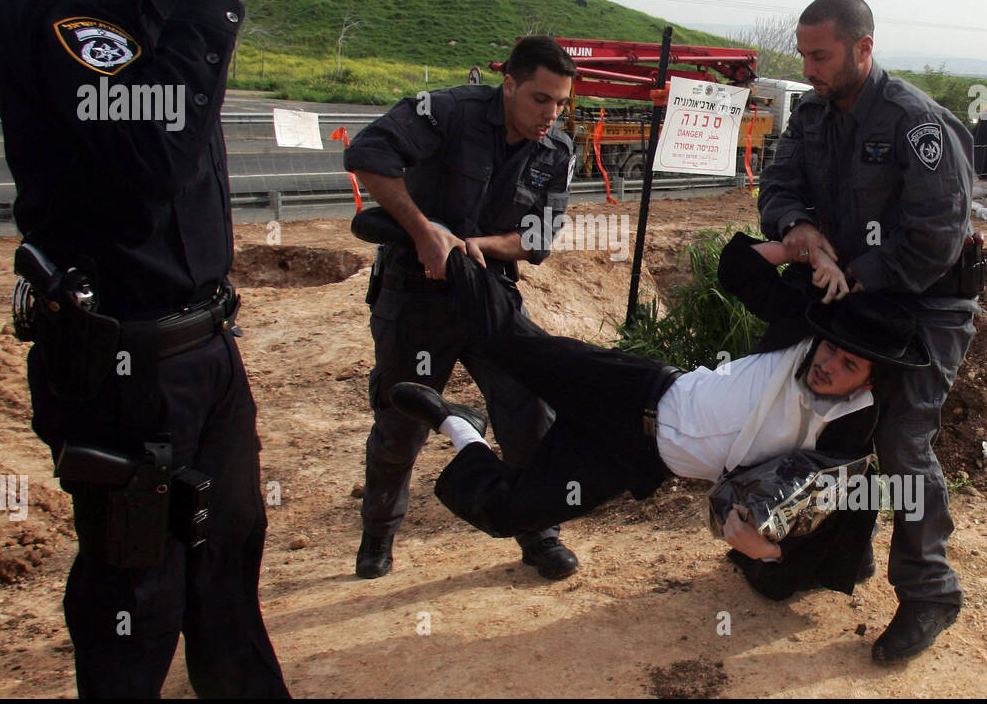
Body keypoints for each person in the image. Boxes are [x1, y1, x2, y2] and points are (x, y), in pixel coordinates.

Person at [0, 0, 303, 698]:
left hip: (205, 349)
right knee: (136, 602)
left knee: (230, 576)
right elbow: (146, 157)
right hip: (119, 360)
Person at [389, 232, 928, 597]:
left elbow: (819, 501)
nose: (828, 364)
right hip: (630, 386)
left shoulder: (852, 428)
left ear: (872, 380)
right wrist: (792, 248)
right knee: (506, 340)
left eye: (848, 363)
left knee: (509, 514)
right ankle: (446, 247)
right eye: (831, 349)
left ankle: (457, 425)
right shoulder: (803, 332)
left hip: (632, 455)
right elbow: (738, 268)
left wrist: (763, 549)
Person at [758, 0, 978, 663]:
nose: (811, 68)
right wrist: (797, 229)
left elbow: (935, 238)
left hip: (926, 301)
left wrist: (852, 274)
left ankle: (930, 594)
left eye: (821, 55)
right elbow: (778, 185)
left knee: (902, 441)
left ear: (863, 48)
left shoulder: (917, 123)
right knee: (805, 414)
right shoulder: (814, 115)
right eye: (804, 55)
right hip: (846, 288)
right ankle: (814, 557)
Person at [344, 36, 582, 580]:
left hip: (489, 295)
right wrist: (424, 232)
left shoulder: (557, 152)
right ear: (509, 85)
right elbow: (367, 155)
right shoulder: (447, 111)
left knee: (528, 409)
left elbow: (539, 238)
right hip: (415, 297)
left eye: (561, 103)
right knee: (401, 420)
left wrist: (478, 247)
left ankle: (538, 529)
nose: (550, 114)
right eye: (539, 99)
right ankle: (378, 533)